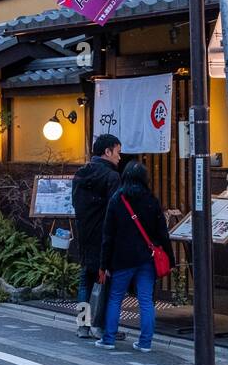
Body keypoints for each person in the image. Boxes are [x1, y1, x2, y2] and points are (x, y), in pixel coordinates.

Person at [98, 161, 174, 352]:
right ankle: (145, 343)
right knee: (146, 300)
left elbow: (108, 235)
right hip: (147, 258)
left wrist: (103, 264)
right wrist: (170, 259)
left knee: (115, 298)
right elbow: (162, 233)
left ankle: (109, 339)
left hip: (121, 258)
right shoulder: (151, 200)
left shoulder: (117, 199)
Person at [71, 133, 123, 339]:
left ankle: (83, 326)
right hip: (104, 235)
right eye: (118, 152)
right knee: (107, 282)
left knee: (86, 280)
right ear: (107, 152)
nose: (120, 157)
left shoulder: (81, 174)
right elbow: (115, 210)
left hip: (84, 233)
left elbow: (76, 204)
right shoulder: (112, 177)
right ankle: (103, 327)